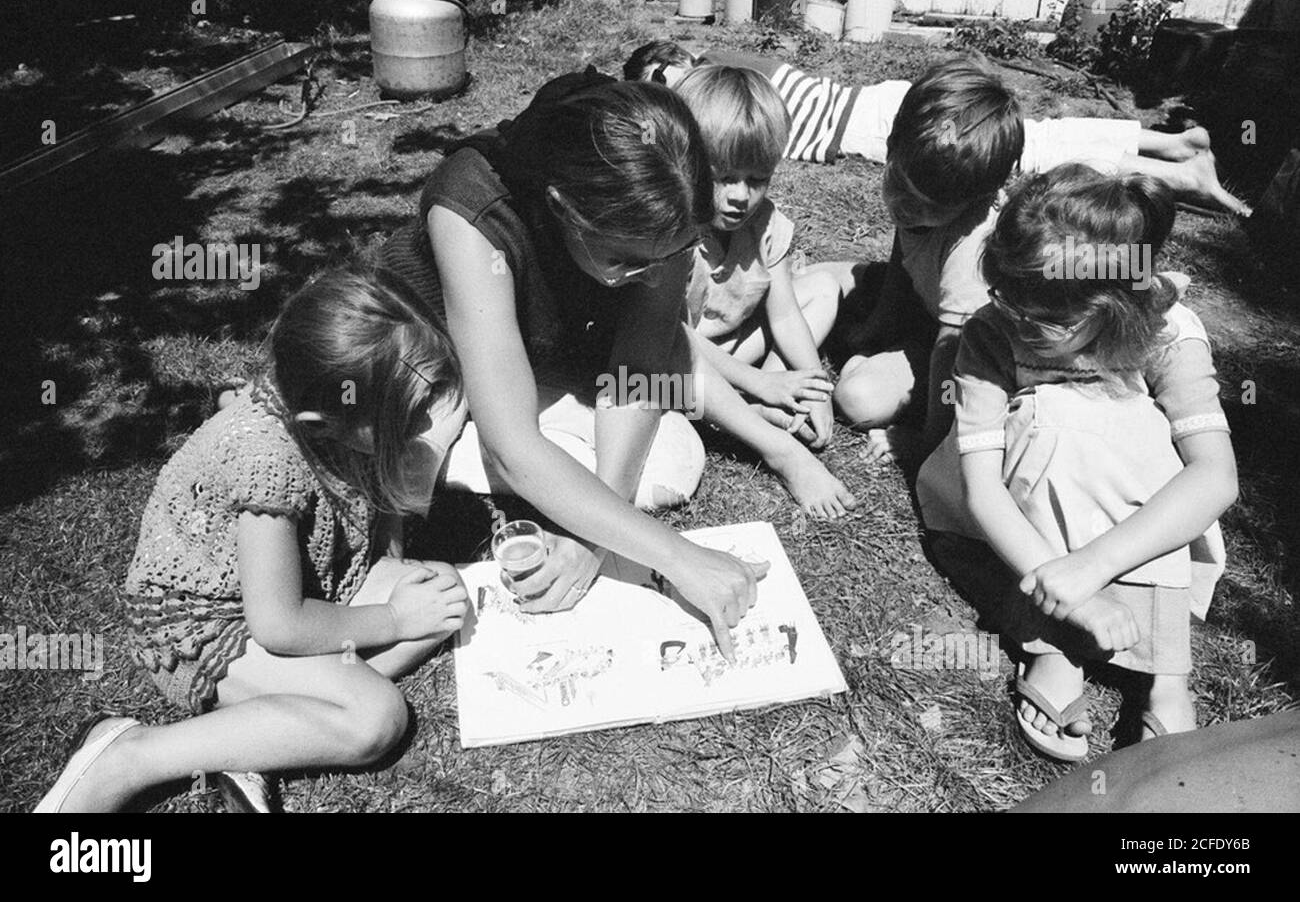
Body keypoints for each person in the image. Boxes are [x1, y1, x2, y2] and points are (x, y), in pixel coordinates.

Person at [35, 268, 471, 812]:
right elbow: (280, 624)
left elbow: (370, 522)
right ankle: (127, 753)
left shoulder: (325, 405)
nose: (425, 422)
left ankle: (255, 734)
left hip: (314, 584)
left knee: (444, 591)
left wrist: (397, 579)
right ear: (322, 422)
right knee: (376, 718)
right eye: (410, 414)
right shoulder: (265, 459)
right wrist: (394, 622)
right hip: (207, 625)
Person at [379, 69, 768, 649]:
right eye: (623, 262)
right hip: (435, 362)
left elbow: (634, 375)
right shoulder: (472, 211)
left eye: (658, 262)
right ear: (562, 207)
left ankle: (570, 498)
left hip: (550, 365)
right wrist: (676, 555)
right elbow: (509, 447)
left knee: (673, 457)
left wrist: (595, 538)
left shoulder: (669, 196)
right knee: (415, 454)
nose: (638, 278)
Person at [916, 164, 1238, 761]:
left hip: (1130, 519)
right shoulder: (993, 332)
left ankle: (1167, 673)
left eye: (1049, 318)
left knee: (1132, 420)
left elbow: (1215, 477)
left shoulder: (1167, 333)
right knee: (1054, 413)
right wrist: (1076, 593)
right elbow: (982, 489)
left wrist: (1094, 566)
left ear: (1114, 302)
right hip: (1014, 511)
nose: (1023, 326)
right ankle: (1053, 640)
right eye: (1010, 302)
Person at [827, 56, 1246, 462]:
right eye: (898, 183)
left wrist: (930, 439)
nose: (904, 208)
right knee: (821, 286)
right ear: (891, 146)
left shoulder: (969, 243)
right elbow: (904, 254)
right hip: (936, 317)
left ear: (978, 198)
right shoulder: (931, 183)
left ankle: (1146, 286)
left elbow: (951, 353)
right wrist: (879, 323)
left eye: (927, 206)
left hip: (982, 345)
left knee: (859, 399)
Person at [625, 40, 1251, 219]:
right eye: (653, 80)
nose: (665, 80)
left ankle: (1176, 163)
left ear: (680, 55)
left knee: (1026, 153)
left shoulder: (726, 77)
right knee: (1032, 139)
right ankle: (1169, 145)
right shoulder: (711, 104)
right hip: (872, 113)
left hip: (867, 118)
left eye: (663, 66)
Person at [670, 64, 858, 517]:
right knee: (657, 383)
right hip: (681, 361)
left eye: (757, 180)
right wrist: (760, 381)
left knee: (823, 289)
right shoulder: (673, 229)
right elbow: (674, 337)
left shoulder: (764, 223)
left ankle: (768, 400)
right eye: (723, 177)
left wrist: (815, 387)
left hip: (732, 348)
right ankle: (748, 413)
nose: (740, 196)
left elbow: (786, 313)